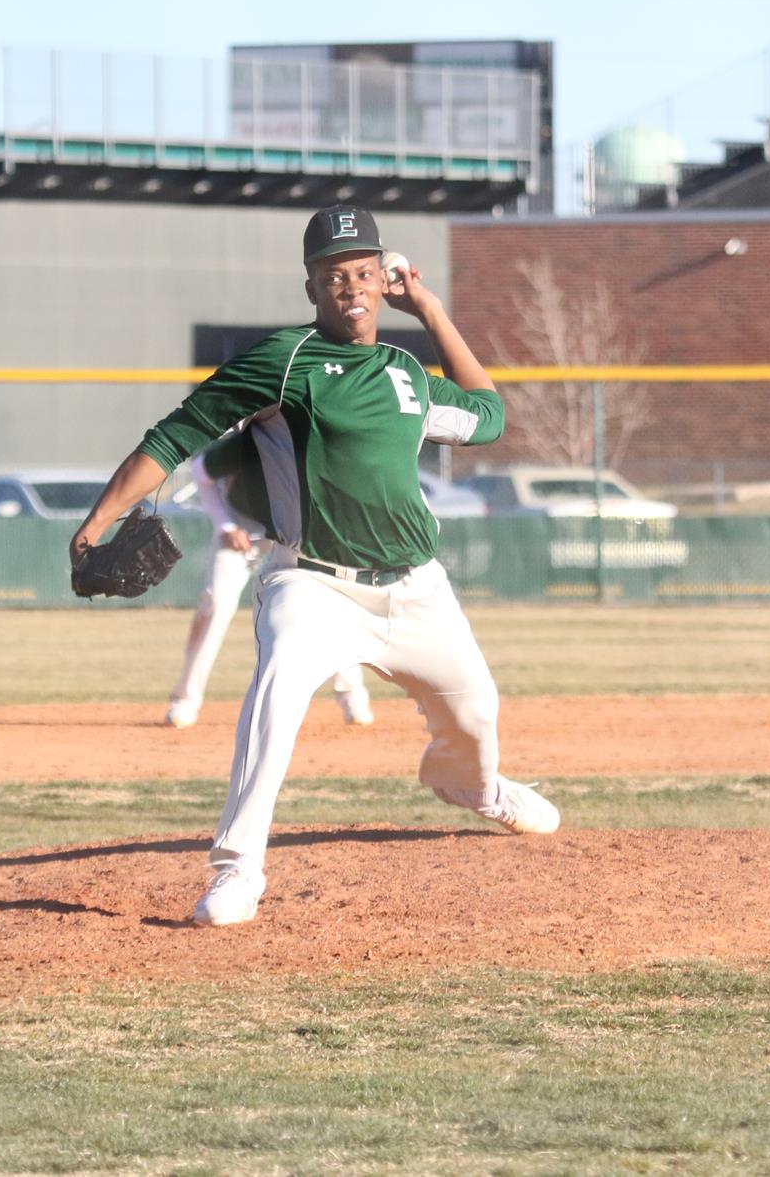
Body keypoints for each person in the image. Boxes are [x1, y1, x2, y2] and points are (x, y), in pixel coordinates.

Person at [71, 204, 559, 928]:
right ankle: (237, 871)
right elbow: (172, 439)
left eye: (364, 271)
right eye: (334, 275)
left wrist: (427, 308)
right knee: (275, 700)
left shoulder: (405, 374)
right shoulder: (283, 361)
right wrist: (97, 522)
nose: (352, 286)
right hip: (313, 582)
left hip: (417, 587)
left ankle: (479, 791)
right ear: (311, 287)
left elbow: (488, 415)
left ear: (381, 278)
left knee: (477, 711)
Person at [164, 440, 374, 730]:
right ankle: (185, 700)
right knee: (216, 602)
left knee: (325, 604)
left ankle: (351, 693)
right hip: (243, 525)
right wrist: (225, 525)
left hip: (298, 528)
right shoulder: (255, 439)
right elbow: (201, 471)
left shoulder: (313, 438)